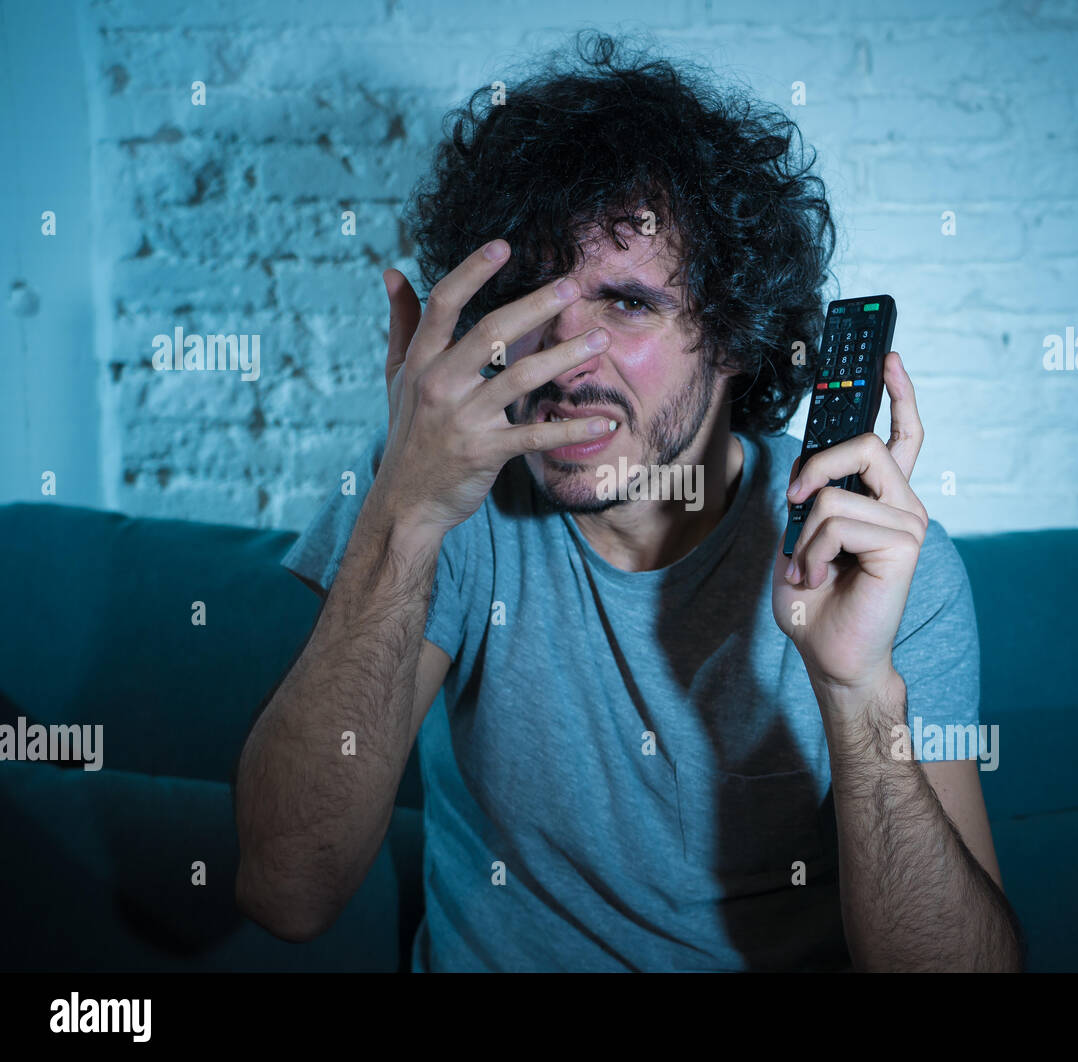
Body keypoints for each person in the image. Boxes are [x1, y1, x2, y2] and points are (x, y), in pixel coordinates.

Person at [234, 31, 1024, 972]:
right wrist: (403, 513)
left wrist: (857, 695)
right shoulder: (444, 497)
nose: (568, 361)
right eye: (532, 302)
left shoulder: (881, 564)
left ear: (733, 333)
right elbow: (287, 891)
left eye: (627, 304)